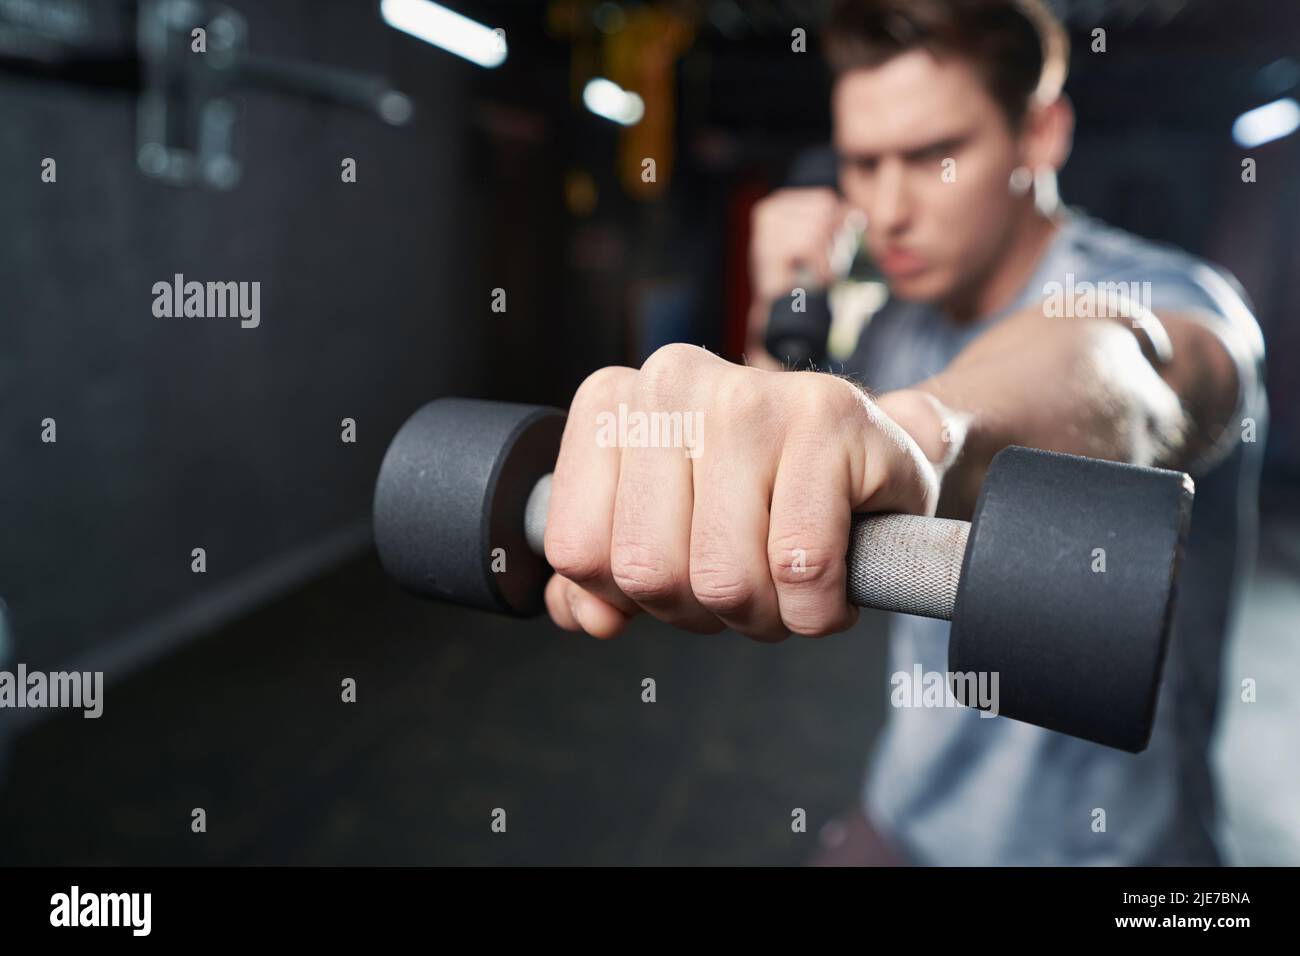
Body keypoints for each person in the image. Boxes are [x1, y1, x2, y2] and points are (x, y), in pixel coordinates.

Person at [541, 0, 1268, 865]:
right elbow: (769, 497)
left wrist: (922, 429)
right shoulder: (892, 327)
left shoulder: (1167, 294)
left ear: (1040, 134)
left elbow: (1132, 365)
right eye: (862, 164)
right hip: (903, 815)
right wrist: (780, 323)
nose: (887, 210)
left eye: (934, 156)